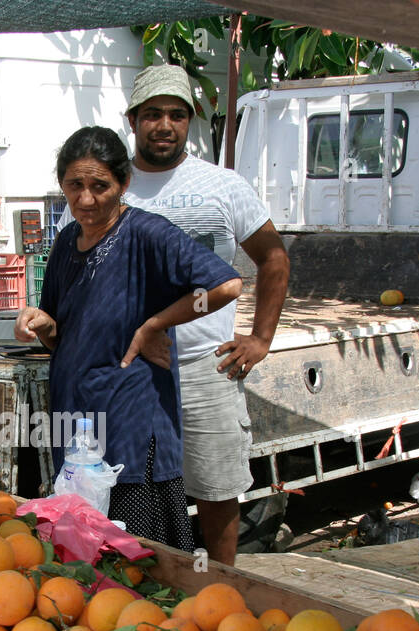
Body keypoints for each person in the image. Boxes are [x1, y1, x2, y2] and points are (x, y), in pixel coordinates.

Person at [16, 126, 243, 551]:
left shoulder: (146, 234)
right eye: (74, 186)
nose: (85, 200)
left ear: (123, 183)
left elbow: (225, 286)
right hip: (77, 418)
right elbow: (63, 334)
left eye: (99, 186)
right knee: (82, 545)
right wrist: (43, 326)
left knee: (135, 551)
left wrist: (156, 323)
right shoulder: (67, 240)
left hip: (130, 418)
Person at [121, 64, 290, 566]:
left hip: (204, 367)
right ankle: (147, 590)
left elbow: (274, 258)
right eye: (152, 114)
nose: (165, 125)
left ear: (190, 121)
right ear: (132, 120)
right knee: (130, 489)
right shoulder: (109, 185)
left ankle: (221, 591)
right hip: (129, 371)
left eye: (176, 114)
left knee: (216, 490)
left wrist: (260, 339)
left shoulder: (223, 185)